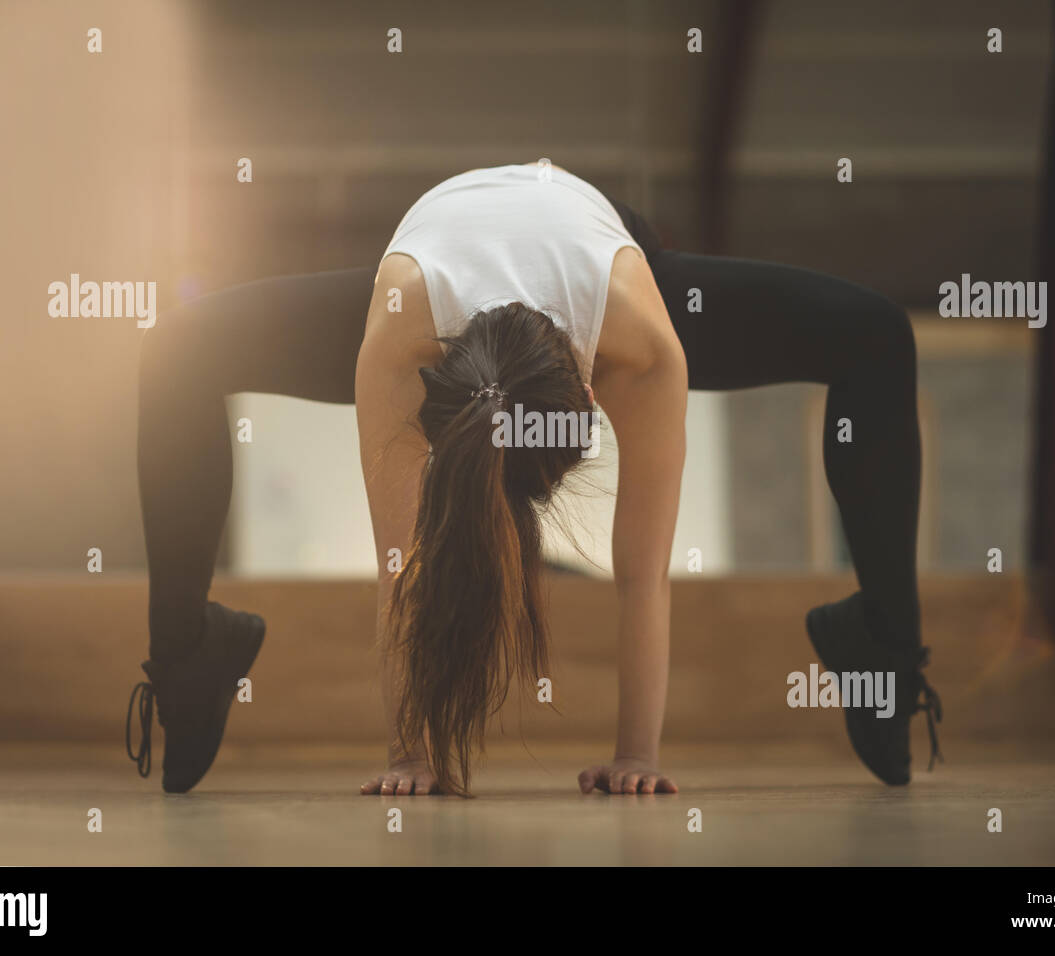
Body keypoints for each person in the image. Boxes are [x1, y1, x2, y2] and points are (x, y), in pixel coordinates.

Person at [126, 161, 941, 797]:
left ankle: (883, 648)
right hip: (432, 258)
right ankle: (189, 655)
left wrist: (637, 755)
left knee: (874, 334)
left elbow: (643, 578)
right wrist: (409, 754)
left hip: (605, 245)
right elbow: (398, 570)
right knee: (176, 351)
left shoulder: (642, 346)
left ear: (591, 400)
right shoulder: (400, 342)